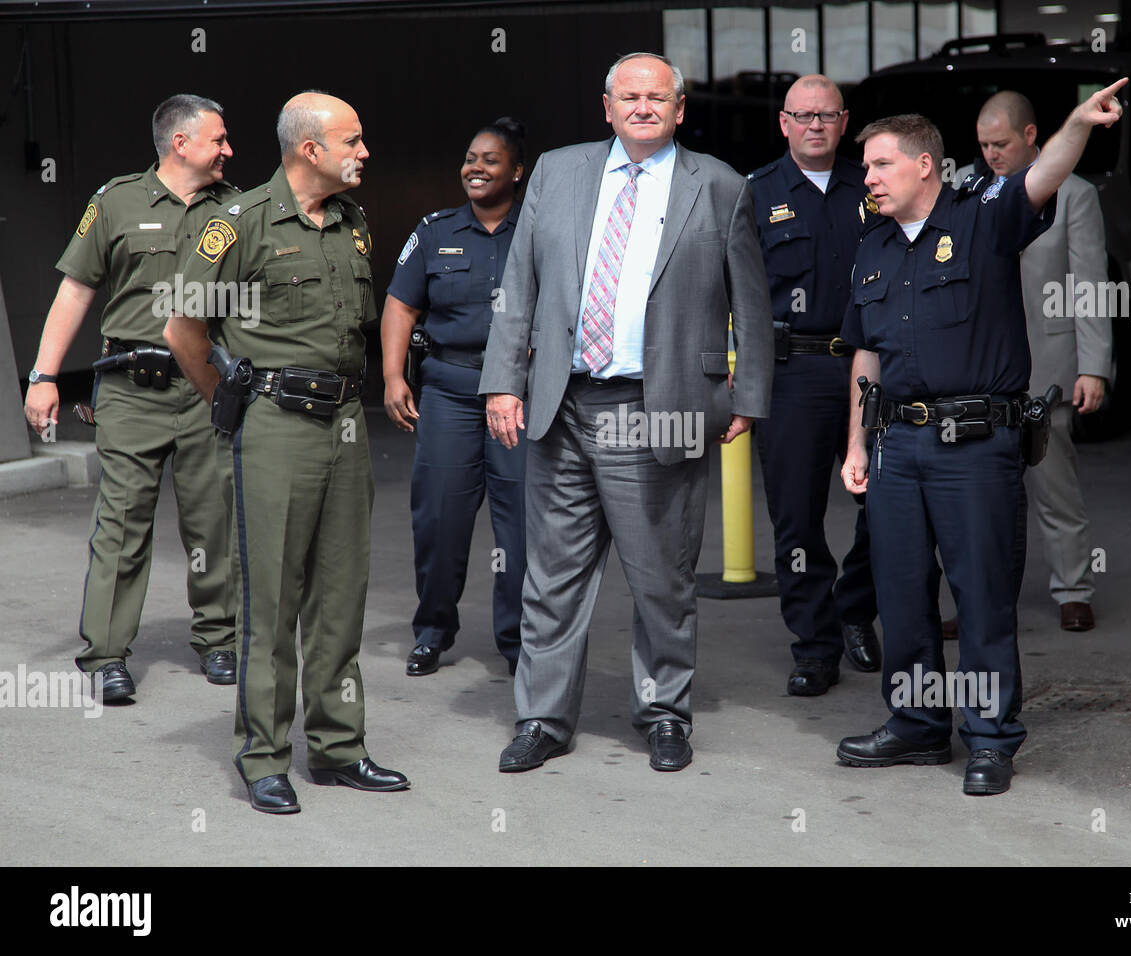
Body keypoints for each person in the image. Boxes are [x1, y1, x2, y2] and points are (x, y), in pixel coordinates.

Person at [480, 52, 773, 773]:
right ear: (606, 106)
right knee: (550, 578)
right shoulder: (556, 171)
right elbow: (519, 282)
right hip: (564, 404)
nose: (643, 107)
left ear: (680, 109)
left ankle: (663, 712)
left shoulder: (722, 187)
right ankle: (543, 720)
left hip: (660, 412)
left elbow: (753, 305)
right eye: (629, 97)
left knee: (662, 578)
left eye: (658, 97)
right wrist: (502, 381)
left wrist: (750, 398)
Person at [836, 79, 1128, 796]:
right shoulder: (871, 247)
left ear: (924, 165)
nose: (866, 177)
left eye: (878, 165)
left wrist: (1078, 122)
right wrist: (856, 446)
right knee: (902, 595)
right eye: (865, 167)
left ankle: (991, 739)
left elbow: (1042, 175)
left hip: (975, 445)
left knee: (983, 598)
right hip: (897, 447)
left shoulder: (982, 217)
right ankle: (915, 724)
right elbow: (865, 355)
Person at [164, 92, 408, 814]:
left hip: (346, 426)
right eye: (353, 142)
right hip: (275, 423)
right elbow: (184, 330)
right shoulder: (234, 226)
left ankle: (337, 747)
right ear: (310, 150)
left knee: (341, 592)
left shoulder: (351, 222)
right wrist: (225, 404)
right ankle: (263, 755)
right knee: (271, 595)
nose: (363, 153)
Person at [23, 94, 239, 701]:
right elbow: (74, 293)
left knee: (213, 521)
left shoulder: (238, 209)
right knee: (121, 525)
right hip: (130, 389)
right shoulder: (115, 201)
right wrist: (44, 379)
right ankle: (106, 655)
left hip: (205, 389)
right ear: (181, 143)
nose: (229, 150)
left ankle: (219, 639)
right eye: (219, 140)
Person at [747, 74, 882, 695]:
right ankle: (815, 645)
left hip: (873, 366)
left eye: (826, 115)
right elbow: (734, 292)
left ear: (845, 120)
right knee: (796, 520)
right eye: (803, 115)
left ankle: (854, 606)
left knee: (888, 504)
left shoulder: (876, 185)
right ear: (784, 123)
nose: (815, 125)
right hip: (792, 372)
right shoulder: (754, 194)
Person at [960, 90, 1112, 632]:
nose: (990, 154)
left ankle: (1073, 587)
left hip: (1048, 363)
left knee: (1054, 485)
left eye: (999, 143)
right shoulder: (967, 191)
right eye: (982, 145)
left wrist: (1093, 366)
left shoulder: (1074, 196)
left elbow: (1091, 286)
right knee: (977, 496)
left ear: (1030, 136)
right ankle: (977, 600)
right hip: (980, 368)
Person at [381, 118, 528, 678]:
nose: (476, 167)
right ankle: (433, 629)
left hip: (518, 396)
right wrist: (395, 377)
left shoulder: (537, 231)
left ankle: (517, 641)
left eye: (491, 159)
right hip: (450, 390)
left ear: (516, 171)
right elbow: (401, 305)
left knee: (522, 524)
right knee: (439, 518)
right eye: (470, 157)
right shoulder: (434, 230)